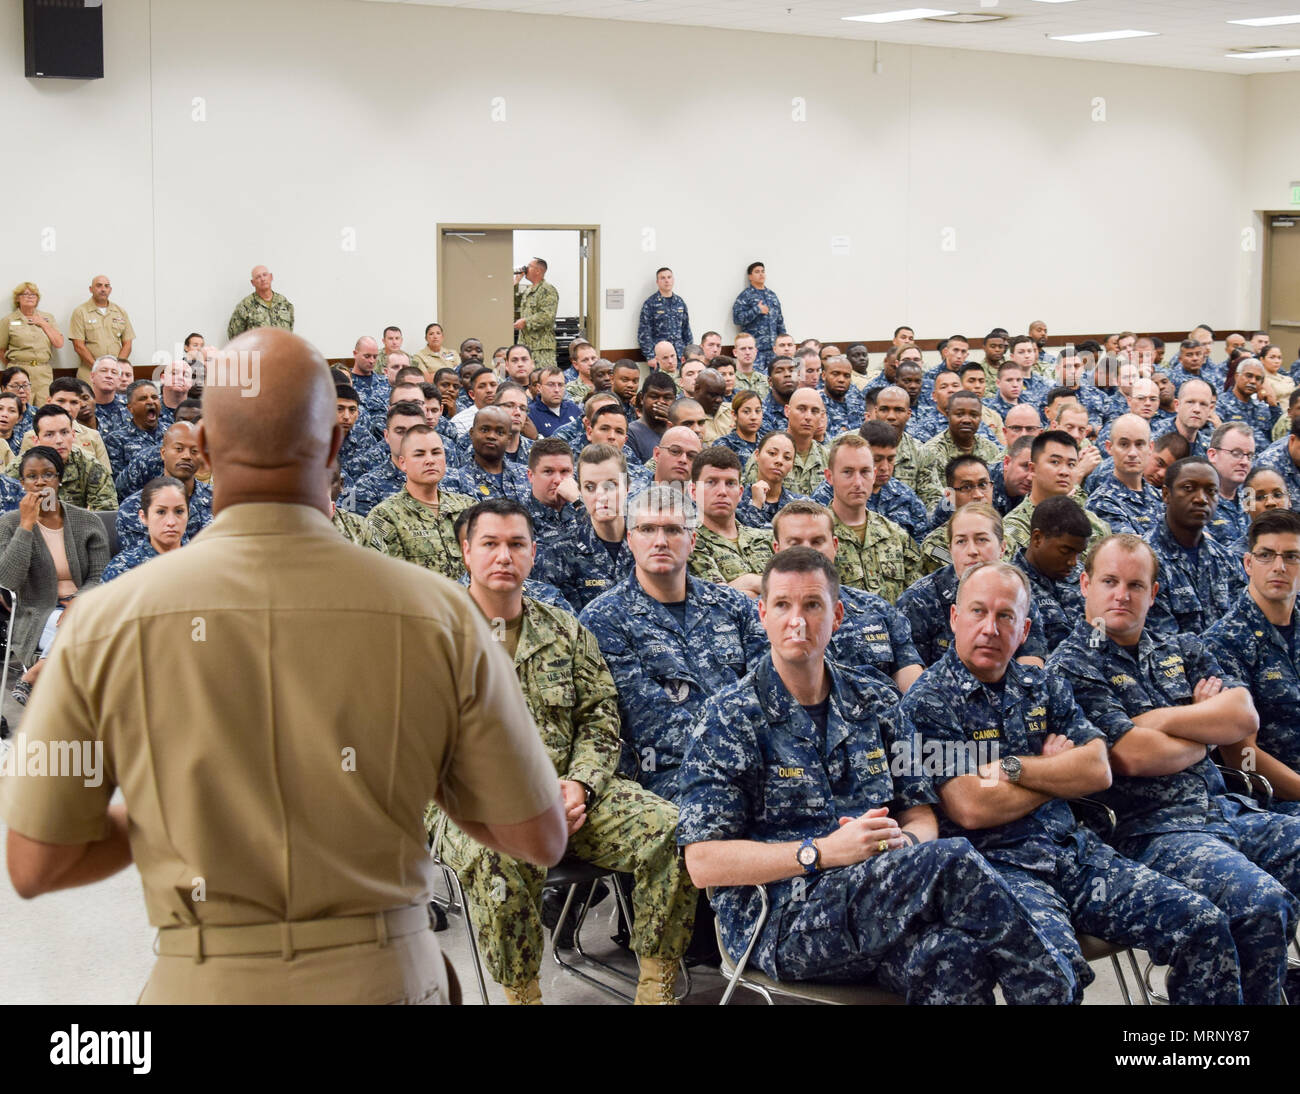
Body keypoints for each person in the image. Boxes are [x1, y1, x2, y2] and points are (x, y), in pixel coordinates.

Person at [1, 328, 567, 1005]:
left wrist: (170, 809)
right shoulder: (441, 613)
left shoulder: (104, 620)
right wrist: (421, 778)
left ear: (203, 446)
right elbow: (537, 833)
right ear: (333, 445)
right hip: (385, 976)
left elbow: (36, 858)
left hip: (206, 984)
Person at [678, 548, 1080, 1004]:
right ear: (762, 614)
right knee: (952, 860)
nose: (798, 621)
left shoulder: (876, 700)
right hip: (781, 915)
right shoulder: (729, 718)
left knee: (954, 956)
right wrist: (822, 852)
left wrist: (901, 846)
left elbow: (920, 815)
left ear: (837, 616)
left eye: (813, 605)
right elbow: (703, 863)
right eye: (783, 605)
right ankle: (1055, 992)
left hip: (881, 894)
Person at [900, 560, 1244, 1005]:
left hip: (1076, 856)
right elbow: (971, 806)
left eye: (1005, 616)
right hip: (1001, 870)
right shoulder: (926, 702)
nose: (990, 628)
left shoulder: (1042, 685)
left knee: (1203, 924)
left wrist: (1013, 769)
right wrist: (1057, 772)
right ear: (954, 618)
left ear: (1024, 630)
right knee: (1055, 978)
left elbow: (1097, 769)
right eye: (978, 612)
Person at [429, 499, 697, 1005]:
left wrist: (580, 784)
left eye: (516, 544)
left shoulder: (564, 630)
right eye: (490, 544)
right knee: (498, 855)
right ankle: (523, 994)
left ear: (534, 552)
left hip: (574, 795)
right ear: (466, 551)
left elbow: (600, 716)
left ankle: (656, 983)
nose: (504, 556)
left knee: (671, 828)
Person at [1050, 535, 1300, 1005]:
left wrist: (1160, 720)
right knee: (1262, 902)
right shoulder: (1069, 667)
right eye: (1109, 581)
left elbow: (1243, 716)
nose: (1121, 595)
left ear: (1153, 593)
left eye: (1135, 585)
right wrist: (1204, 728)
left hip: (1224, 809)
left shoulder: (1181, 648)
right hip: (1154, 832)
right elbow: (1132, 755)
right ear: (1085, 584)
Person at [579, 484, 767, 801]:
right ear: (630, 539)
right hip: (667, 776)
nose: (660, 541)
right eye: (647, 529)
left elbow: (768, 685)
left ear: (692, 540)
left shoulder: (734, 606)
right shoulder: (603, 618)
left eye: (673, 530)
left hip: (755, 760)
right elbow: (649, 721)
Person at [1205, 509, 1300, 815]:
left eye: (1292, 556)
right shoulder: (1223, 642)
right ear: (1248, 564)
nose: (1279, 567)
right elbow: (1242, 756)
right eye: (1266, 555)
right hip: (1275, 803)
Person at [772, 501, 923, 692]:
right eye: (795, 543)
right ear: (777, 549)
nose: (807, 551)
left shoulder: (877, 608)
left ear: (835, 545)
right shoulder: (757, 617)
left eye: (817, 541)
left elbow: (911, 681)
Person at [0, 445, 109, 695]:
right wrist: (26, 525)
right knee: (92, 640)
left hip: (86, 606)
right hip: (37, 612)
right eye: (32, 476)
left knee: (89, 633)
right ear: (22, 483)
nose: (40, 482)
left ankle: (36, 675)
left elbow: (101, 575)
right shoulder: (8, 524)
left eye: (48, 474)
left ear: (59, 479)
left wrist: (79, 601)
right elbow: (8, 581)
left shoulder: (88, 522)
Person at [900, 503, 1047, 668]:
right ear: (950, 550)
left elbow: (1031, 663)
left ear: (1002, 548)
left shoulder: (1016, 594)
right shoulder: (918, 600)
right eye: (961, 541)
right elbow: (912, 672)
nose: (972, 551)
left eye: (981, 540)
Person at [1143, 456, 1247, 636]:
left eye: (1211, 491)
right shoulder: (1145, 560)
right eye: (1188, 488)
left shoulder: (1226, 560)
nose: (1201, 499)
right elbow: (1164, 642)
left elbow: (1245, 627)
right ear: (1166, 494)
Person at [820, 434, 920, 602]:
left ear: (874, 475)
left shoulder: (896, 536)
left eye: (865, 472)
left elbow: (915, 599)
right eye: (847, 472)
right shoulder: (816, 537)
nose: (858, 482)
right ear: (829, 477)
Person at [1002, 431, 1110, 559]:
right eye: (1055, 462)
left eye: (1071, 464)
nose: (1064, 472)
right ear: (1032, 469)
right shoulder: (1013, 529)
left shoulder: (1095, 524)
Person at [688, 447, 773, 597]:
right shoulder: (690, 542)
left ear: (740, 493)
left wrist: (749, 583)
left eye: (730, 483)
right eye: (711, 482)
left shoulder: (766, 538)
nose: (722, 491)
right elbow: (720, 599)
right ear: (693, 492)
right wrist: (757, 584)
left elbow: (795, 588)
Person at [116, 422, 213, 550]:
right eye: (179, 449)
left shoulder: (218, 499)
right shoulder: (134, 507)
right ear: (163, 453)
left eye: (194, 451)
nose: (187, 456)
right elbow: (141, 557)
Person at [1011, 496, 1089, 648]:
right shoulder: (1013, 586)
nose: (1073, 562)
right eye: (1065, 551)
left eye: (1079, 553)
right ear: (1037, 538)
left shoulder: (1083, 576)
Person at [17, 405, 117, 512]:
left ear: (73, 435)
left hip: (79, 522)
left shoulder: (91, 466)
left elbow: (106, 512)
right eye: (49, 435)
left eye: (64, 432)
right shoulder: (20, 467)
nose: (59, 440)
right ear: (36, 440)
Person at [914, 391, 1002, 512]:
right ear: (948, 414)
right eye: (959, 414)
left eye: (973, 415)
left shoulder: (991, 449)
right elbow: (934, 501)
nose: (967, 420)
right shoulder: (931, 452)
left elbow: (994, 492)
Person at [1085, 414, 1164, 537]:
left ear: (1150, 448)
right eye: (1124, 444)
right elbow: (1134, 546)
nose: (1132, 453)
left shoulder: (1159, 496)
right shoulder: (1101, 502)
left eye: (1139, 444)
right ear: (1109, 447)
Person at [344, 401, 427, 517]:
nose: (408, 438)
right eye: (400, 431)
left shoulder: (445, 478)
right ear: (387, 436)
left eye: (414, 431)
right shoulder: (367, 487)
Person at [102, 476, 189, 583]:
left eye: (179, 511)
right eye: (161, 512)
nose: (171, 522)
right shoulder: (121, 569)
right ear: (143, 517)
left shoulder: (201, 562)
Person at [918, 455, 994, 573]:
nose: (978, 495)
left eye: (983, 484)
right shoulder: (936, 544)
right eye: (966, 487)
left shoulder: (1003, 531)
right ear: (949, 495)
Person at [1, 282, 65, 404]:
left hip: (43, 372)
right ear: (17, 298)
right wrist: (13, 367)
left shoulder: (48, 318)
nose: (30, 297)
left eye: (33, 294)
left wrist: (43, 323)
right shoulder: (8, 320)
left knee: (44, 409)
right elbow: (1, 349)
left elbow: (59, 343)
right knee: (19, 407)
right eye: (25, 294)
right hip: (19, 372)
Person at [68, 275, 133, 386]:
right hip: (90, 372)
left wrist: (117, 367)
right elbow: (78, 346)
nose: (103, 289)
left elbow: (128, 343)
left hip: (115, 373)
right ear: (91, 289)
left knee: (116, 397)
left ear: (110, 290)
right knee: (89, 397)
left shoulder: (120, 312)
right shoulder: (80, 312)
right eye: (99, 285)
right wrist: (97, 368)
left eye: (106, 286)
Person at [735, 430, 806, 528]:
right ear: (757, 455)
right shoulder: (737, 501)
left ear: (792, 465)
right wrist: (756, 505)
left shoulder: (801, 506)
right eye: (772, 453)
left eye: (787, 457)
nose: (779, 461)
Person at [1205, 423, 1256, 546]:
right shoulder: (1198, 501)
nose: (1245, 462)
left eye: (1249, 455)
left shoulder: (1250, 496)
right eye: (1236, 453)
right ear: (1213, 455)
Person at [1216, 357, 1278, 452]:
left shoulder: (1262, 408)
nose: (1253, 381)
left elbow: (1277, 435)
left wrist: (1273, 405)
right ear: (1237, 376)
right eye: (1249, 376)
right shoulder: (1221, 404)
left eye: (1258, 378)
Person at [730, 261, 785, 367]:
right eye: (757, 272)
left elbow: (779, 322)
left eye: (763, 271)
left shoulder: (772, 295)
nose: (761, 274)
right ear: (750, 276)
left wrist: (783, 343)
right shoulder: (746, 295)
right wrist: (757, 310)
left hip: (773, 350)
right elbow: (737, 319)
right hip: (754, 351)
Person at [104, 380, 165, 476]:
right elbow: (118, 480)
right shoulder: (116, 439)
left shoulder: (172, 432)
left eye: (154, 397)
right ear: (130, 408)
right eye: (143, 398)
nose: (150, 401)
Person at [637, 267, 692, 361]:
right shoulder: (650, 303)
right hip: (661, 356)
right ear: (657, 282)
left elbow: (686, 329)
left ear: (673, 280)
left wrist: (689, 354)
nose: (667, 281)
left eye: (669, 277)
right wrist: (650, 356)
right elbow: (644, 332)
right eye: (663, 278)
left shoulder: (679, 302)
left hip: (679, 354)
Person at [226, 264, 294, 339]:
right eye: (258, 277)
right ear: (253, 282)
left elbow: (289, 331)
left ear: (271, 277)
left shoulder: (284, 303)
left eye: (265, 275)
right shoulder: (245, 306)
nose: (262, 279)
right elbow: (235, 337)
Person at [513, 257, 558, 369]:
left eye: (529, 266)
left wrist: (526, 322)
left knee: (543, 376)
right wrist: (515, 283)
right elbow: (513, 303)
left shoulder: (547, 290)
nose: (526, 268)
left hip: (541, 348)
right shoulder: (529, 290)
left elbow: (547, 315)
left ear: (538, 271)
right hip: (525, 346)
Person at [627, 371, 676, 464]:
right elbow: (631, 471)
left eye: (667, 398)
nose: (661, 402)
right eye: (654, 397)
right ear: (642, 398)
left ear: (675, 400)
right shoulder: (630, 433)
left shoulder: (679, 430)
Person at [528, 366, 582, 437]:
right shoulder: (530, 414)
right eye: (551, 385)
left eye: (560, 385)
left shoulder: (573, 408)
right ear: (539, 388)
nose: (557, 390)